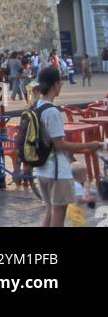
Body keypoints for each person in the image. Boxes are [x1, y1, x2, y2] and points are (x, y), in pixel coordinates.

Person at [32, 65, 102, 228]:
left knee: (50, 211)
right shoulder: (52, 112)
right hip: (57, 172)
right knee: (58, 215)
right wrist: (89, 145)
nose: (61, 86)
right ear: (55, 84)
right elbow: (60, 145)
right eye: (60, 83)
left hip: (42, 169)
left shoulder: (36, 106)